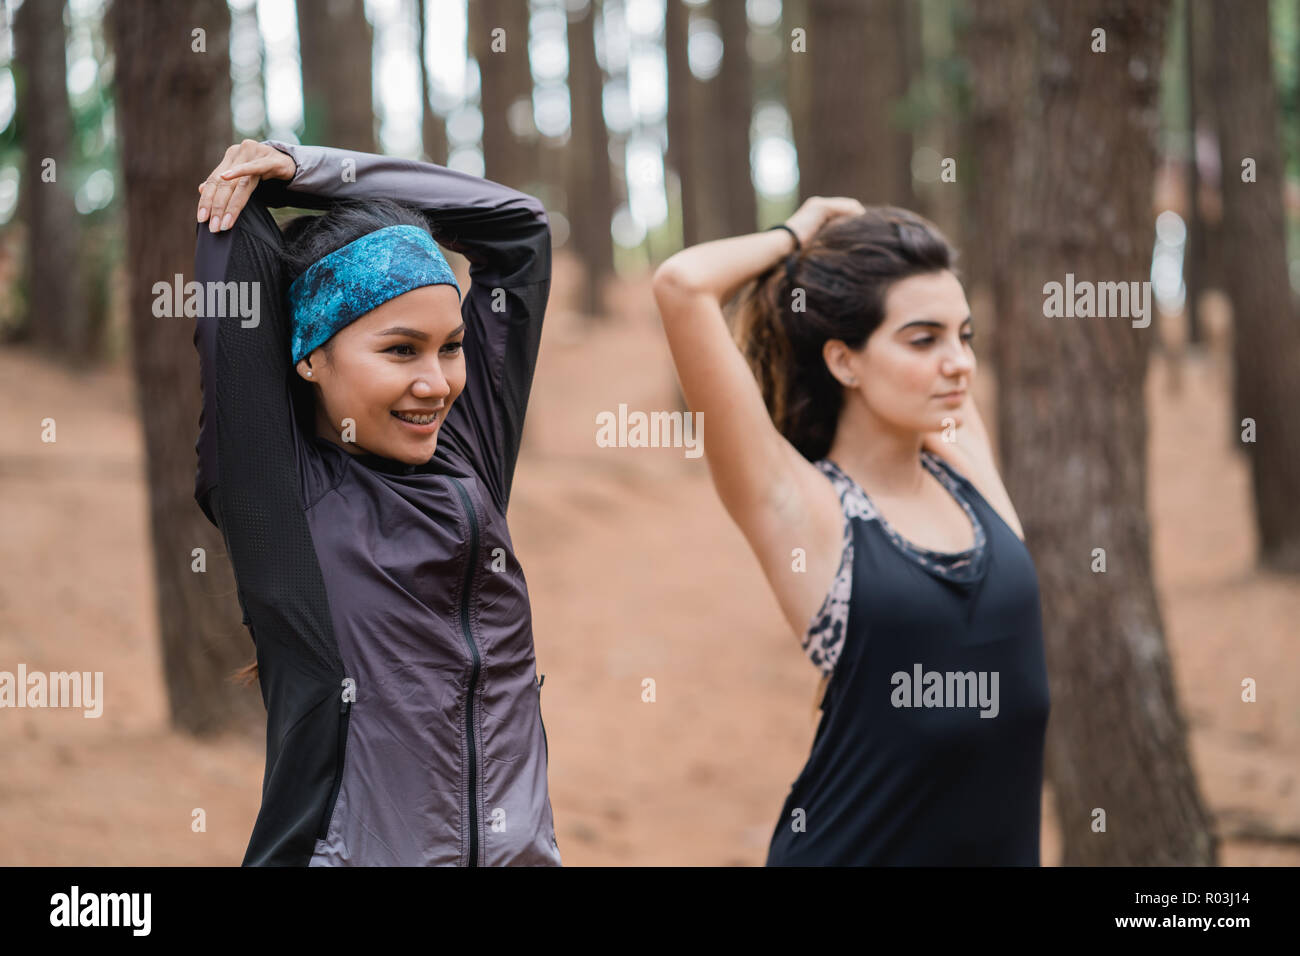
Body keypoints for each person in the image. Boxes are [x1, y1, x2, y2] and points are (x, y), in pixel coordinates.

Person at [192, 139, 559, 866]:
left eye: (450, 347)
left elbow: (519, 230)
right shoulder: (279, 499)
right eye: (400, 350)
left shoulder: (466, 459)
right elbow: (230, 231)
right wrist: (258, 178)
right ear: (310, 354)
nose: (438, 384)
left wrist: (314, 170)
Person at [651, 199, 1051, 865]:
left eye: (965, 335)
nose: (959, 363)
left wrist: (890, 248)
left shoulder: (965, 464)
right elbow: (683, 285)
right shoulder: (806, 509)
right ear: (844, 361)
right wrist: (794, 234)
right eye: (924, 339)